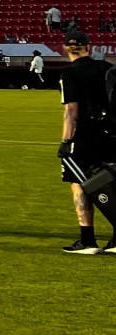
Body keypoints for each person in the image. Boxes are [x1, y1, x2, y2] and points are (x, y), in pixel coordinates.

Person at [55, 29, 114, 253]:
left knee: (78, 182)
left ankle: (87, 239)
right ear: (88, 47)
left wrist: (65, 140)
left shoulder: (70, 74)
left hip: (85, 136)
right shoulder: (107, 69)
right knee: (111, 181)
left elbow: (71, 110)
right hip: (111, 133)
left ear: (65, 48)